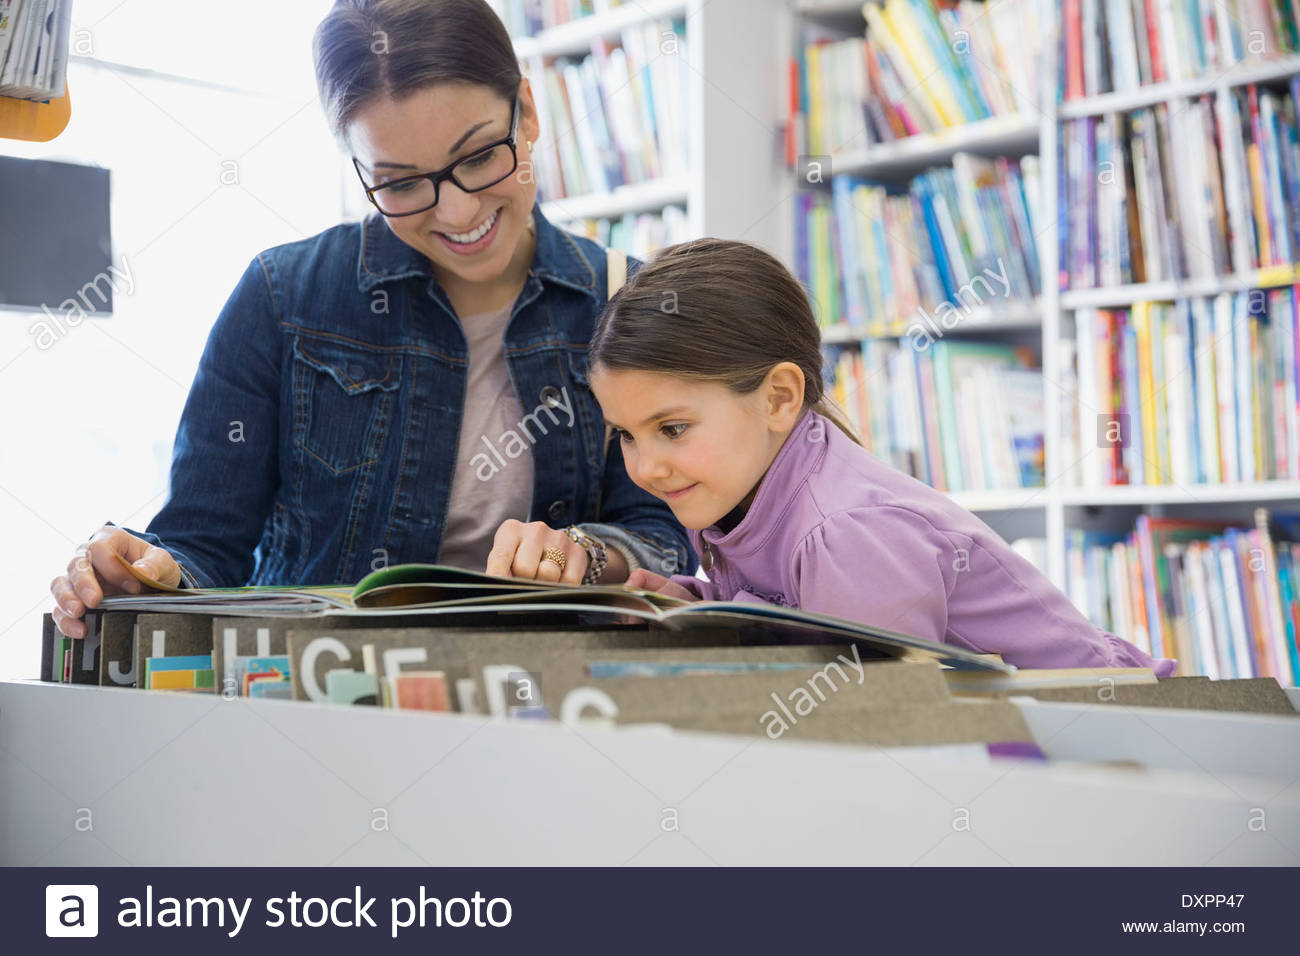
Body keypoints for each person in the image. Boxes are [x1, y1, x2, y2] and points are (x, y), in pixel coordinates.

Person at [48, 0, 692, 639]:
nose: (459, 212)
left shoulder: (625, 299)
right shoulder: (282, 298)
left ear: (527, 111)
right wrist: (146, 572)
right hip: (318, 701)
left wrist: (584, 556)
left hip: (542, 702)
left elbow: (664, 540)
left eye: (477, 157)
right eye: (402, 183)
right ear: (357, 168)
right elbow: (202, 543)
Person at [588, 238, 1177, 674]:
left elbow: (882, 727)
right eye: (627, 436)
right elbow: (794, 618)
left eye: (672, 428)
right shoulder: (743, 488)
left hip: (1121, 738)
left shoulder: (847, 531)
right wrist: (695, 604)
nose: (645, 469)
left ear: (778, 398)